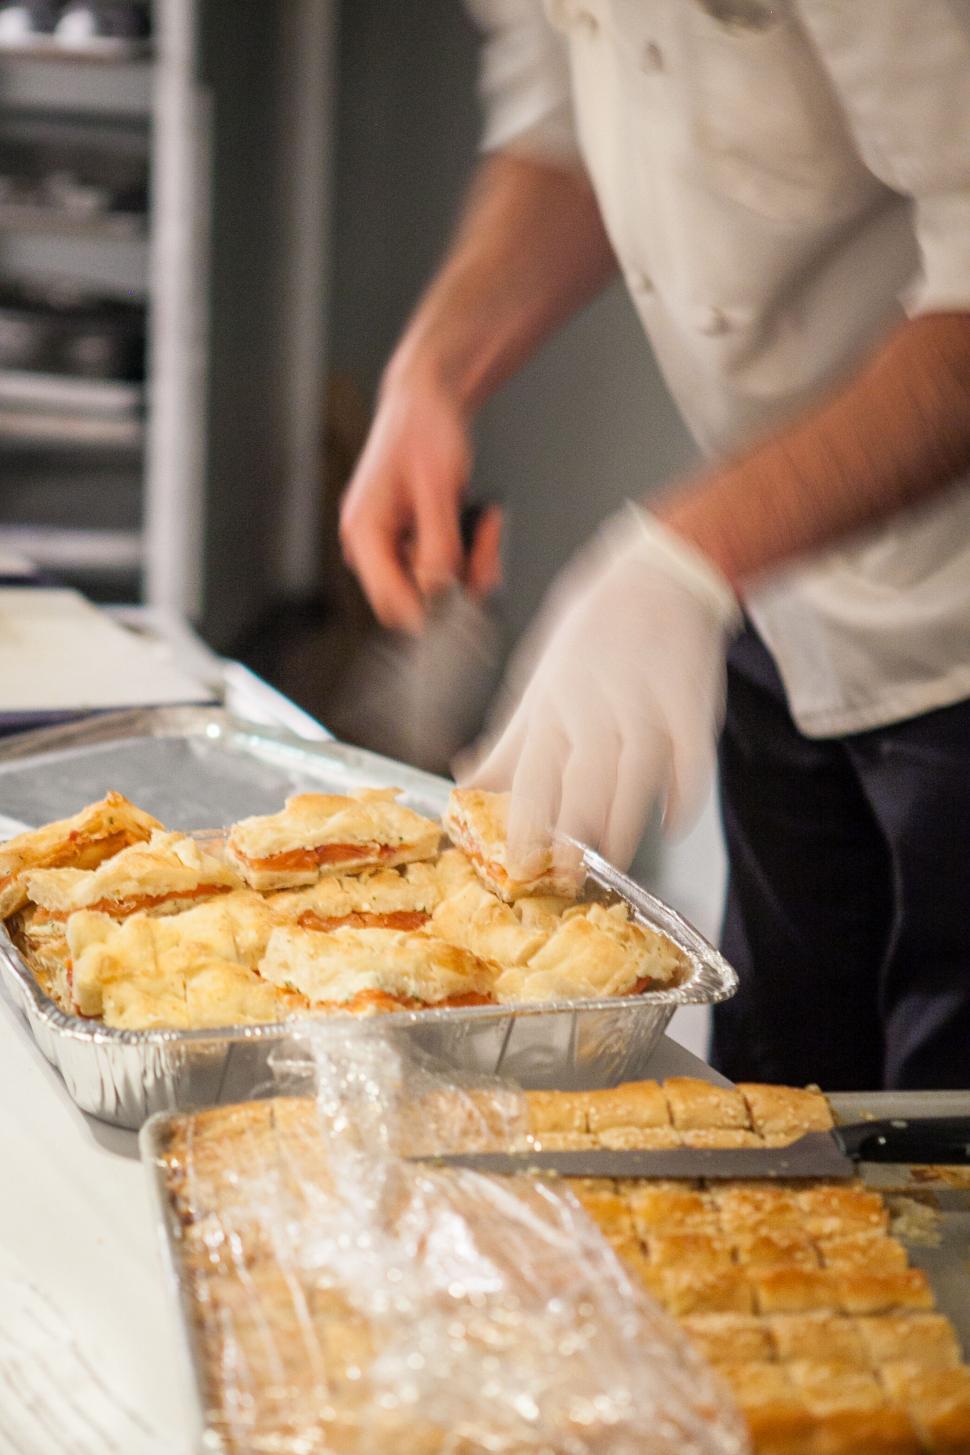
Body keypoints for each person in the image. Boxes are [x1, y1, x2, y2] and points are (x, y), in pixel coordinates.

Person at [339, 1, 970, 1091]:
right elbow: (567, 131)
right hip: (783, 576)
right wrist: (435, 369)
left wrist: (682, 556)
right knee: (782, 1117)